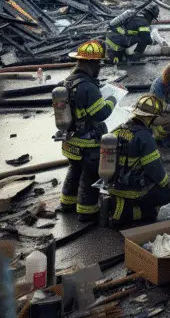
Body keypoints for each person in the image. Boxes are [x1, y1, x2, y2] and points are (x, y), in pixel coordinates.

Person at [59, 41, 115, 221]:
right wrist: (112, 100)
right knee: (89, 176)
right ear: (92, 64)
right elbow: (101, 114)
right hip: (88, 143)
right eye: (99, 64)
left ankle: (67, 203)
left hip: (69, 141)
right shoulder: (88, 87)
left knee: (74, 171)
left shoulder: (67, 82)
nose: (99, 68)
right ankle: (86, 212)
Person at [107, 94, 170, 228]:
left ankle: (121, 206)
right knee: (166, 194)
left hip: (112, 186)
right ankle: (133, 212)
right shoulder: (144, 136)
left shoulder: (117, 130)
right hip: (133, 189)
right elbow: (155, 169)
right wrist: (166, 185)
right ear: (149, 118)